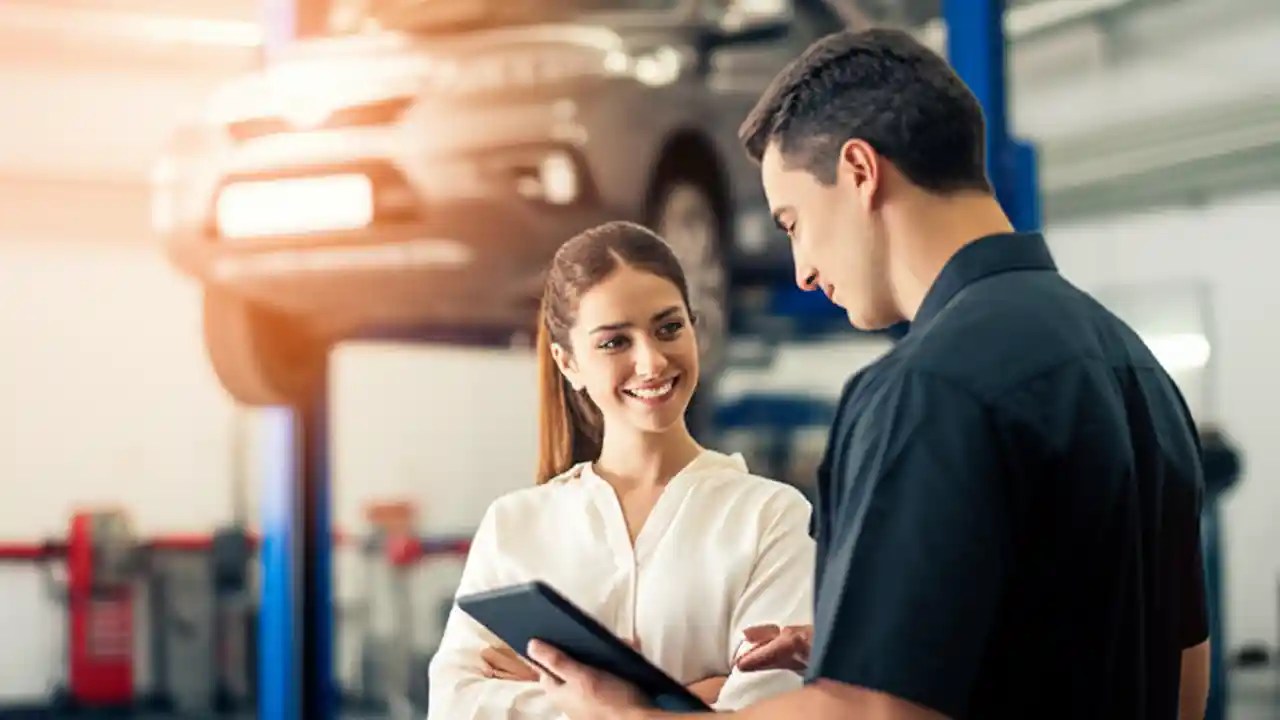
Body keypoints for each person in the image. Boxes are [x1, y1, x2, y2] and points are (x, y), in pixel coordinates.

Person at [525, 27, 1212, 720]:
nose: (801, 269)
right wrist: (877, 639)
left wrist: (635, 716)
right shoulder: (1135, 366)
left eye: (792, 221)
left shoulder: (926, 388)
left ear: (860, 172)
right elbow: (1183, 673)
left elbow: (872, 714)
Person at [425, 221, 816, 718]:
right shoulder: (516, 524)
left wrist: (564, 695)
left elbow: (773, 705)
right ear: (568, 363)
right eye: (614, 342)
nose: (652, 361)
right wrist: (672, 697)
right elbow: (456, 705)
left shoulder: (771, 516)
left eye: (668, 327)